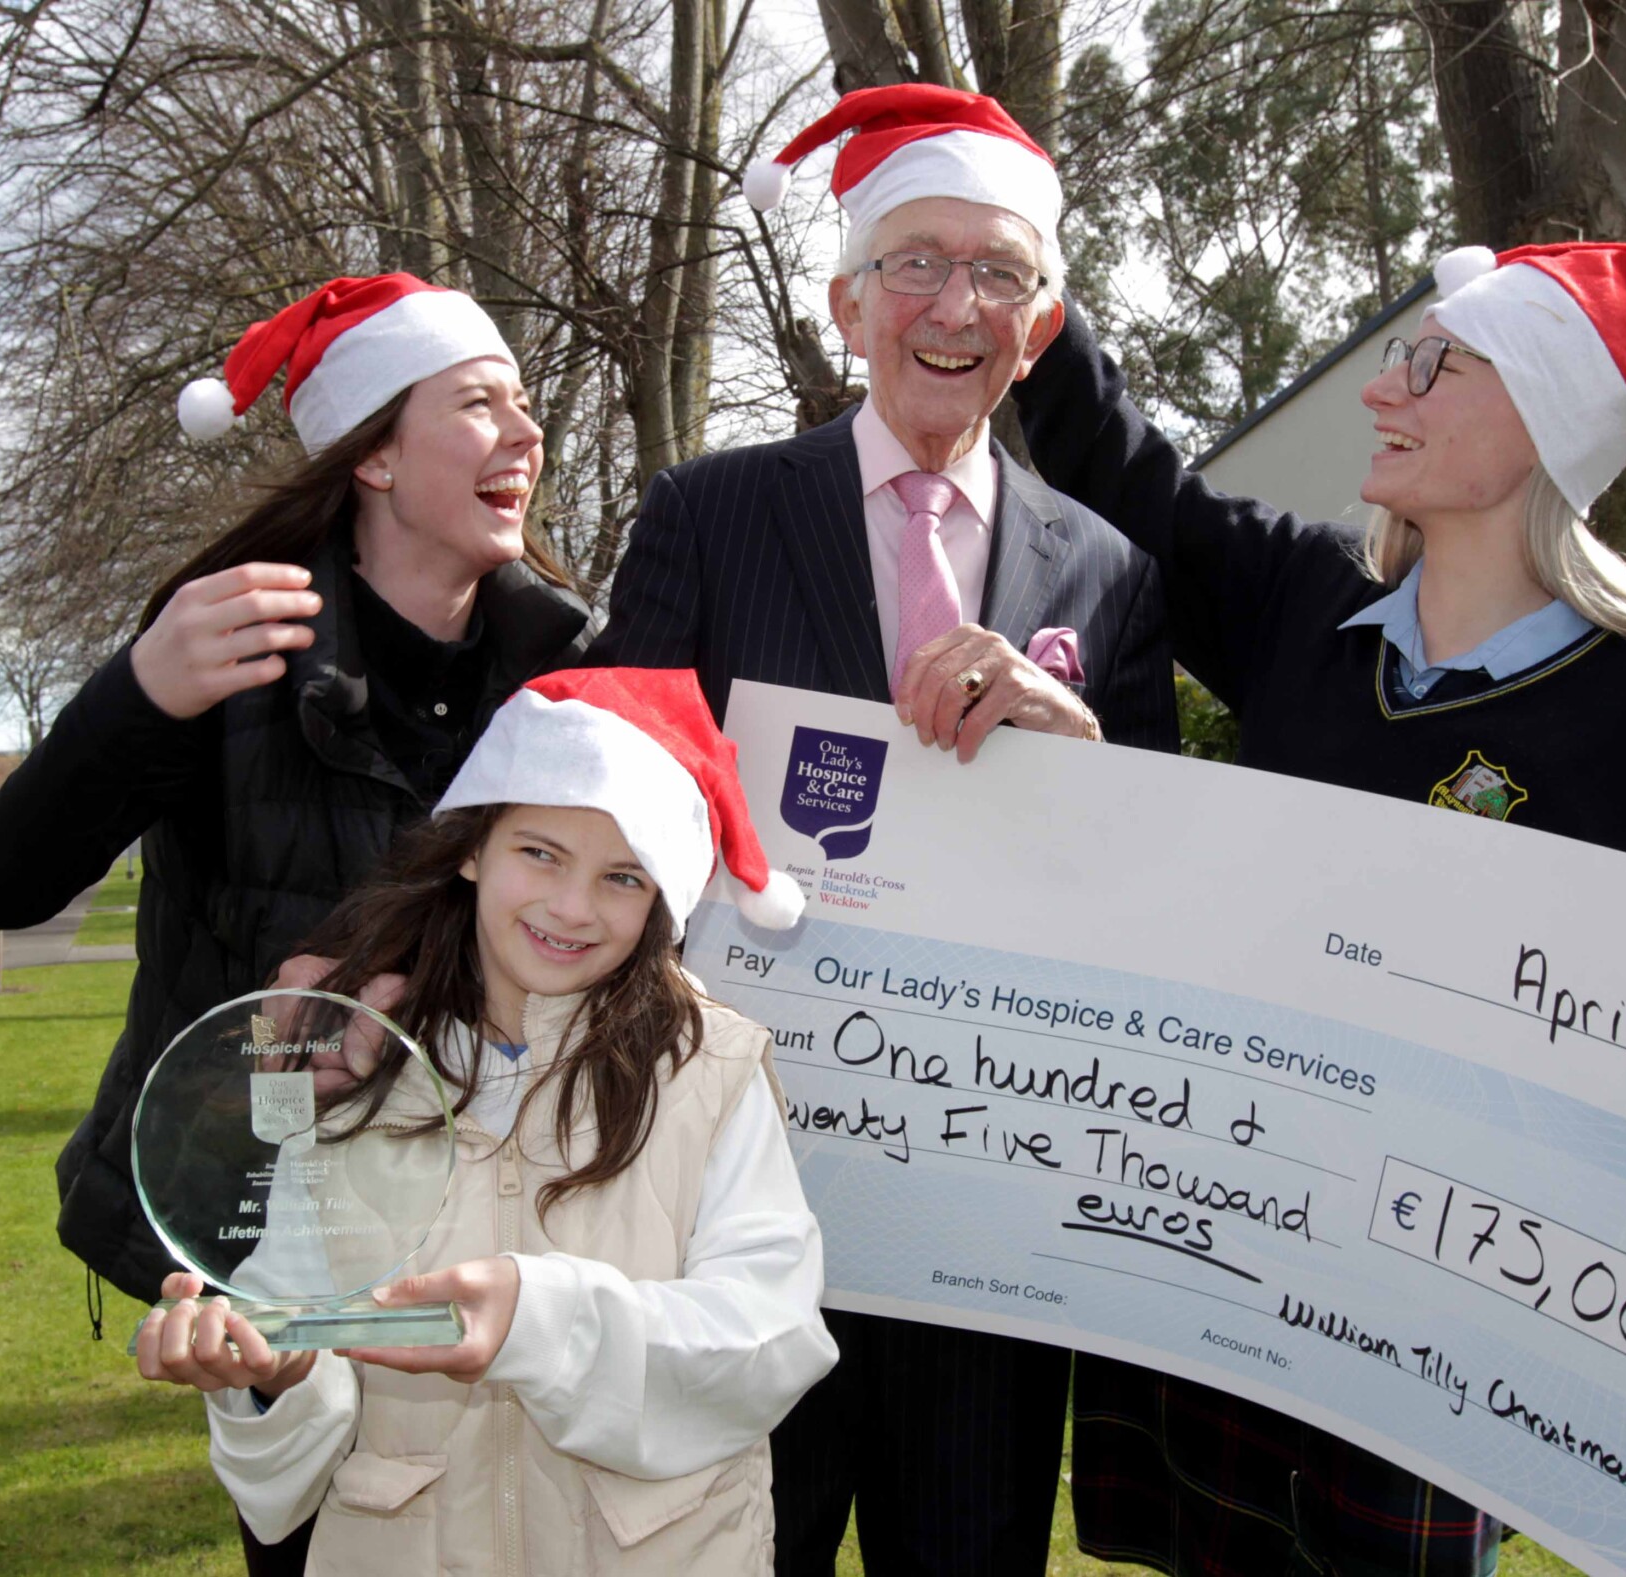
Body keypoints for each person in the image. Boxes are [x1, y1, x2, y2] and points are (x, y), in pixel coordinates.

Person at [1011, 243, 1626, 1575]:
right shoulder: (1305, 603)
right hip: (1231, 1246)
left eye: (1436, 365)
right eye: (1400, 359)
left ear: (1544, 421)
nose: (1389, 391)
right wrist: (1015, 263)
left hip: (1430, 1320)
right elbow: (1123, 464)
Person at [590, 83, 1180, 1577]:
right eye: (917, 262)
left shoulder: (1105, 570)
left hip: (982, 1222)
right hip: (731, 1193)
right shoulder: (710, 515)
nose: (955, 304)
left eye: (999, 275)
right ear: (850, 300)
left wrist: (1087, 762)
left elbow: (1161, 886)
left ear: (1039, 331)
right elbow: (604, 799)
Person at [0, 273, 594, 1571]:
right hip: (286, 1249)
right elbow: (7, 886)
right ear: (372, 453)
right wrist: (136, 694)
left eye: (527, 405)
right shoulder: (227, 647)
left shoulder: (575, 665)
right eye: (480, 406)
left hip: (519, 1236)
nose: (527, 436)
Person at [135, 666, 838, 1572]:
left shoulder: (711, 1071)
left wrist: (541, 1318)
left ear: (664, 900)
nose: (571, 906)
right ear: (474, 845)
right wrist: (274, 1374)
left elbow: (767, 1336)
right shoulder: (357, 1064)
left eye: (623, 876)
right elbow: (297, 1324)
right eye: (538, 852)